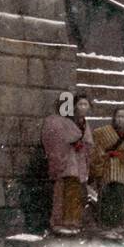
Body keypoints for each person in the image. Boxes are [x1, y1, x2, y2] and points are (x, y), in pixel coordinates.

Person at [41, 91, 92, 236]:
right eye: (80, 104)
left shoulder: (84, 123)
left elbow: (88, 142)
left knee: (75, 192)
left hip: (78, 160)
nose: (82, 107)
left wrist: (82, 145)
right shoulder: (60, 121)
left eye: (85, 104)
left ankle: (72, 222)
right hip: (66, 160)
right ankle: (58, 222)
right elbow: (56, 139)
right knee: (61, 192)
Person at [90, 107, 124, 238]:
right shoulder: (102, 132)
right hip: (106, 169)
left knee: (118, 199)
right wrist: (99, 167)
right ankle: (105, 227)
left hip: (121, 171)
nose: (120, 119)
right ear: (113, 117)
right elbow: (97, 150)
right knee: (106, 198)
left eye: (123, 117)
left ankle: (116, 227)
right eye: (118, 116)